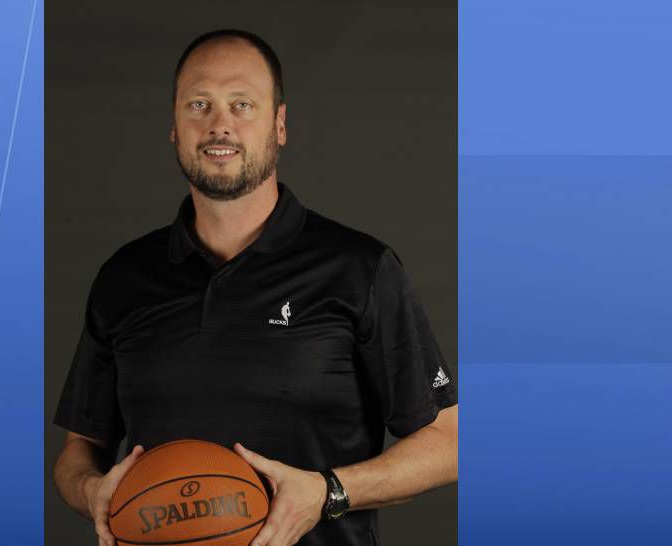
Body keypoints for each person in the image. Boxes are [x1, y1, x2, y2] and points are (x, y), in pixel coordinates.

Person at [52, 29, 458, 546]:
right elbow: (79, 450)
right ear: (174, 126)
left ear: (279, 124)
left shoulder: (358, 268)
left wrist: (328, 491)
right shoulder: (124, 277)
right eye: (199, 104)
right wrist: (91, 491)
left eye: (242, 104)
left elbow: (449, 443)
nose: (220, 124)